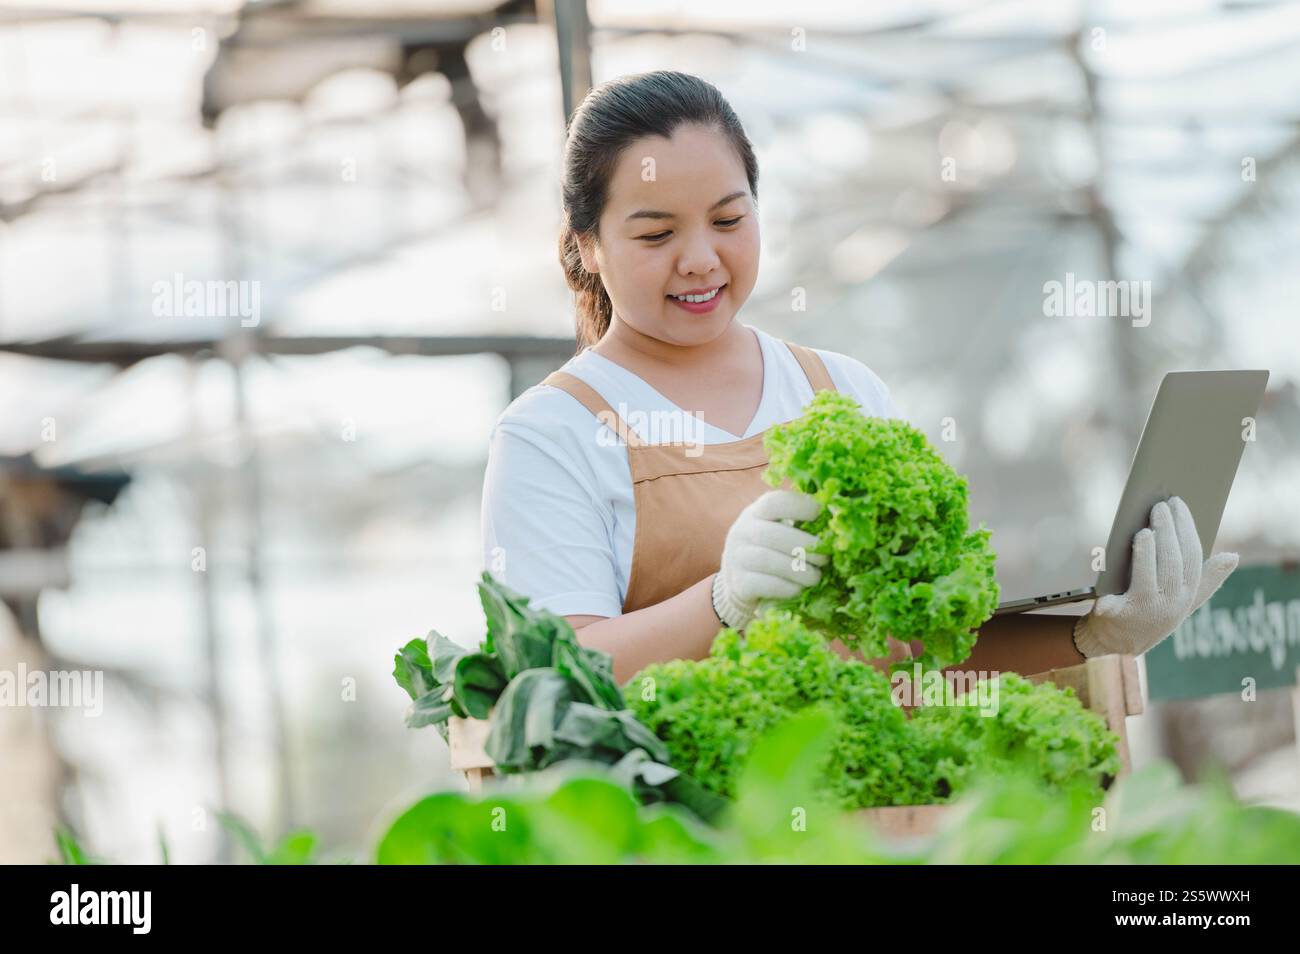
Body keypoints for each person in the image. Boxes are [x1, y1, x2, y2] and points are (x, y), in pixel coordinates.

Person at [480, 70, 1237, 684]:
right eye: (656, 233)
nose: (701, 259)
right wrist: (719, 602)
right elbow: (552, 677)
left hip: (881, 821)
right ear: (588, 245)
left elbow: (925, 641)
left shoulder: (842, 390)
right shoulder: (552, 435)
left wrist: (1092, 631)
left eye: (729, 219)